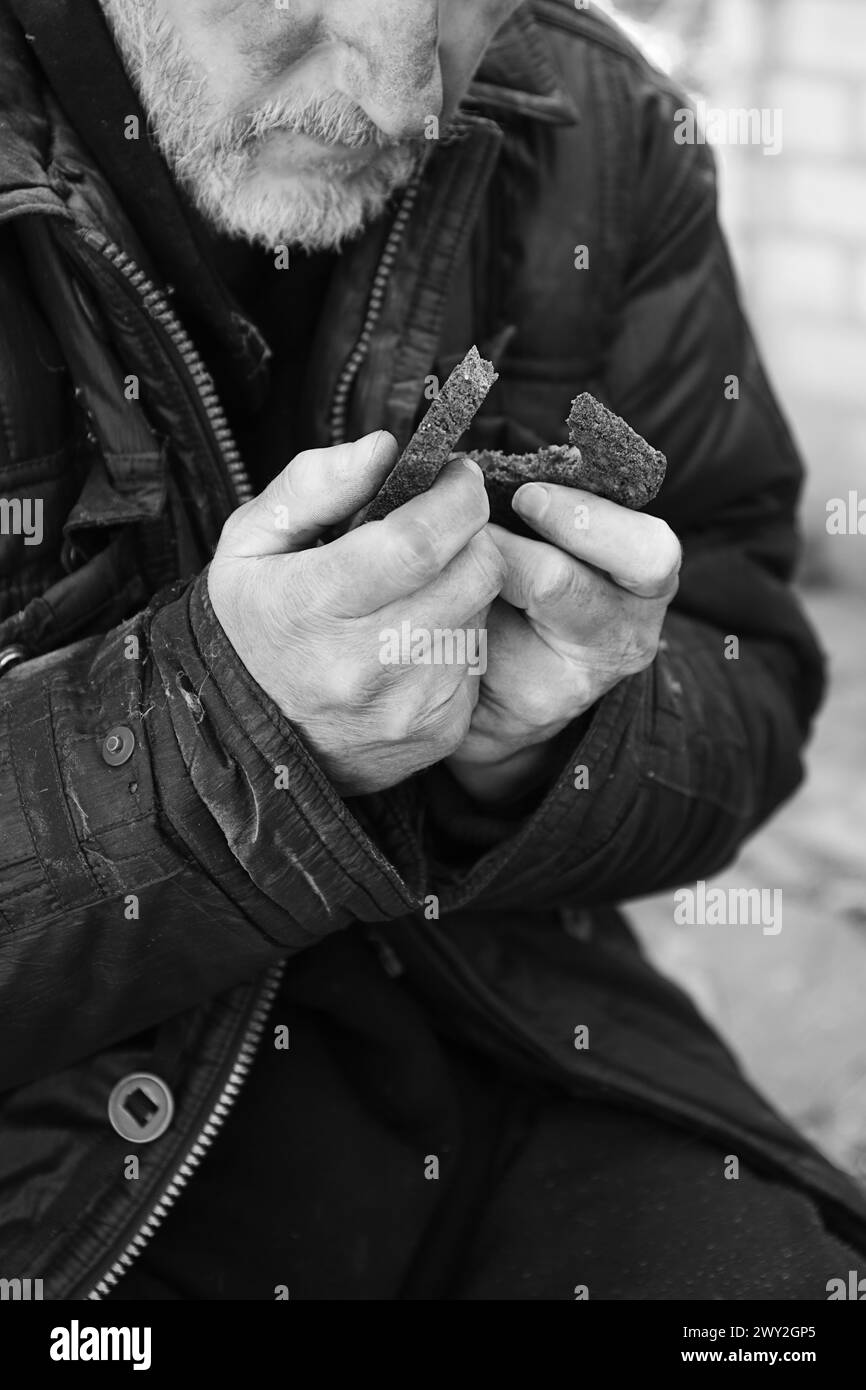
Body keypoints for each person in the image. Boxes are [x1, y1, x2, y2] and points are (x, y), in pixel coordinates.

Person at [0, 0, 862, 1301]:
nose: (412, 100)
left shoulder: (608, 128)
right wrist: (221, 735)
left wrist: (555, 749)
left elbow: (747, 663)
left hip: (518, 1044)